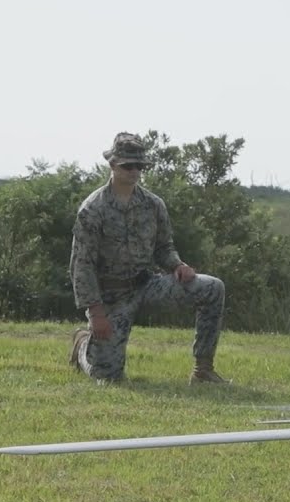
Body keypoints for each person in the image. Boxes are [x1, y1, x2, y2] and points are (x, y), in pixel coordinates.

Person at [68, 132, 229, 384]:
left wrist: (177, 265)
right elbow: (81, 266)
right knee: (108, 377)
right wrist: (95, 312)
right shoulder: (92, 209)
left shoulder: (153, 204)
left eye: (140, 166)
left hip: (147, 285)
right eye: (128, 166)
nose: (134, 171)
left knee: (212, 288)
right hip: (110, 297)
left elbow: (164, 247)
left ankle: (203, 370)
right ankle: (82, 347)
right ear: (112, 164)